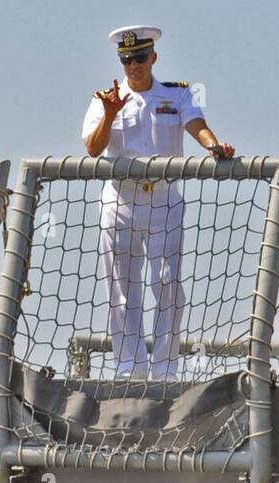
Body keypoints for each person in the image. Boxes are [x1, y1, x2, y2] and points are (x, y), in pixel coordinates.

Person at [82, 25, 236, 377]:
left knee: (168, 285)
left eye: (139, 58)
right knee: (121, 289)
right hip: (119, 202)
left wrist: (213, 146)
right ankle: (129, 370)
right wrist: (109, 113)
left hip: (164, 201)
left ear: (153, 58)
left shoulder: (176, 95)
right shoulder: (105, 99)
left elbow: (197, 124)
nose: (133, 65)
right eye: (126, 60)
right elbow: (92, 148)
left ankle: (165, 369)